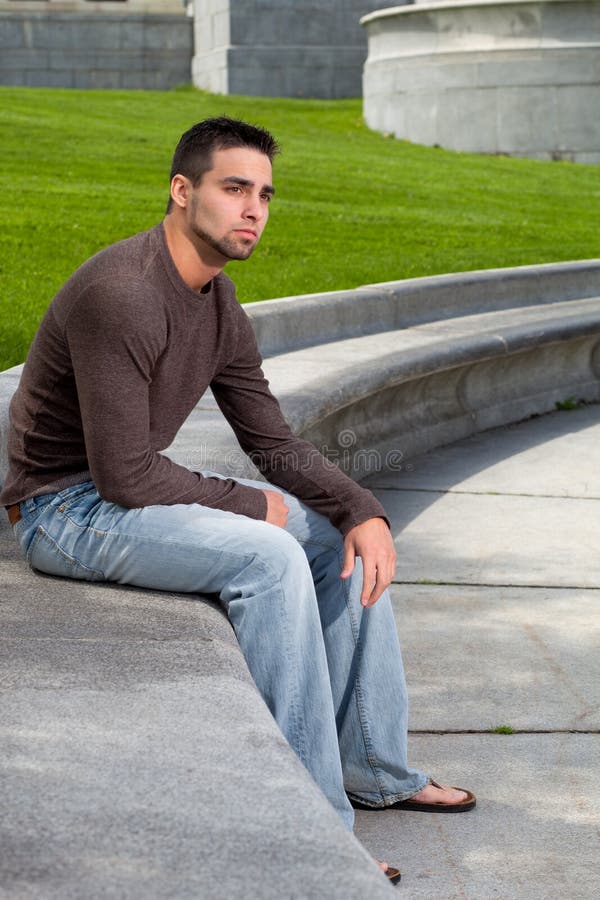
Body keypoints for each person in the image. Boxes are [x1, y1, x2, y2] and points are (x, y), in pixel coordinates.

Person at [1, 117, 475, 884]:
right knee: (270, 555)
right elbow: (122, 477)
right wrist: (251, 508)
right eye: (234, 188)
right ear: (181, 190)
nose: (253, 208)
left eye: (264, 193)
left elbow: (272, 442)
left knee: (337, 541)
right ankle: (316, 823)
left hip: (121, 492)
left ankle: (376, 766)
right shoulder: (123, 294)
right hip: (63, 513)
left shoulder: (218, 305)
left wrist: (362, 508)